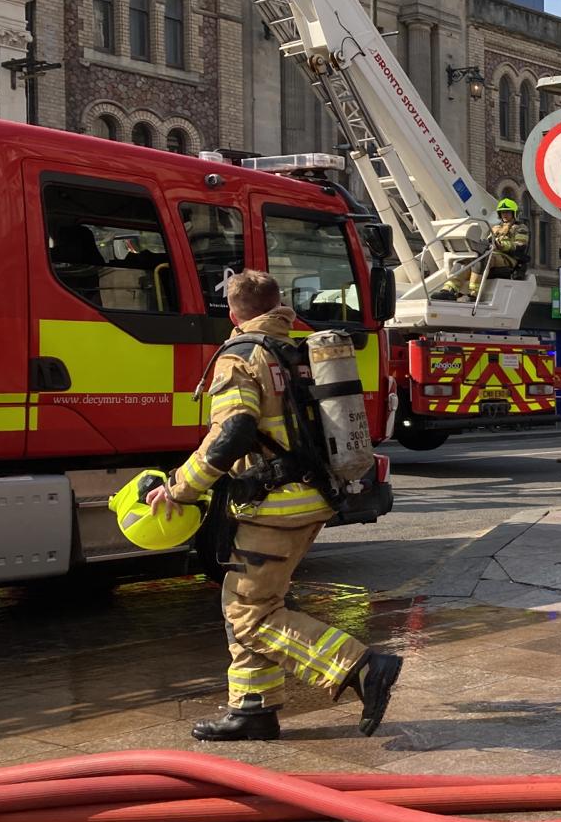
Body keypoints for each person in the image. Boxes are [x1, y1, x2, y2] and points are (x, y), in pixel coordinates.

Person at [146, 270, 403, 742]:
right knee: (249, 601)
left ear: (232, 312)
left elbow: (234, 431)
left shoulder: (241, 356)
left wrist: (181, 487)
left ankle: (360, 667)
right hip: (310, 497)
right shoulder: (296, 349)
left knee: (251, 614)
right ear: (277, 304)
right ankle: (253, 708)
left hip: (273, 506)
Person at [435, 198, 529, 300]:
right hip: (491, 253)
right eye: (502, 212)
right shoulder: (495, 227)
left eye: (507, 212)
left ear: (514, 213)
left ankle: (474, 294)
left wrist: (501, 245)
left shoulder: (520, 228)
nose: (504, 215)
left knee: (483, 259)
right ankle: (448, 290)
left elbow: (520, 245)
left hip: (508, 258)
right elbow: (488, 241)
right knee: (463, 261)